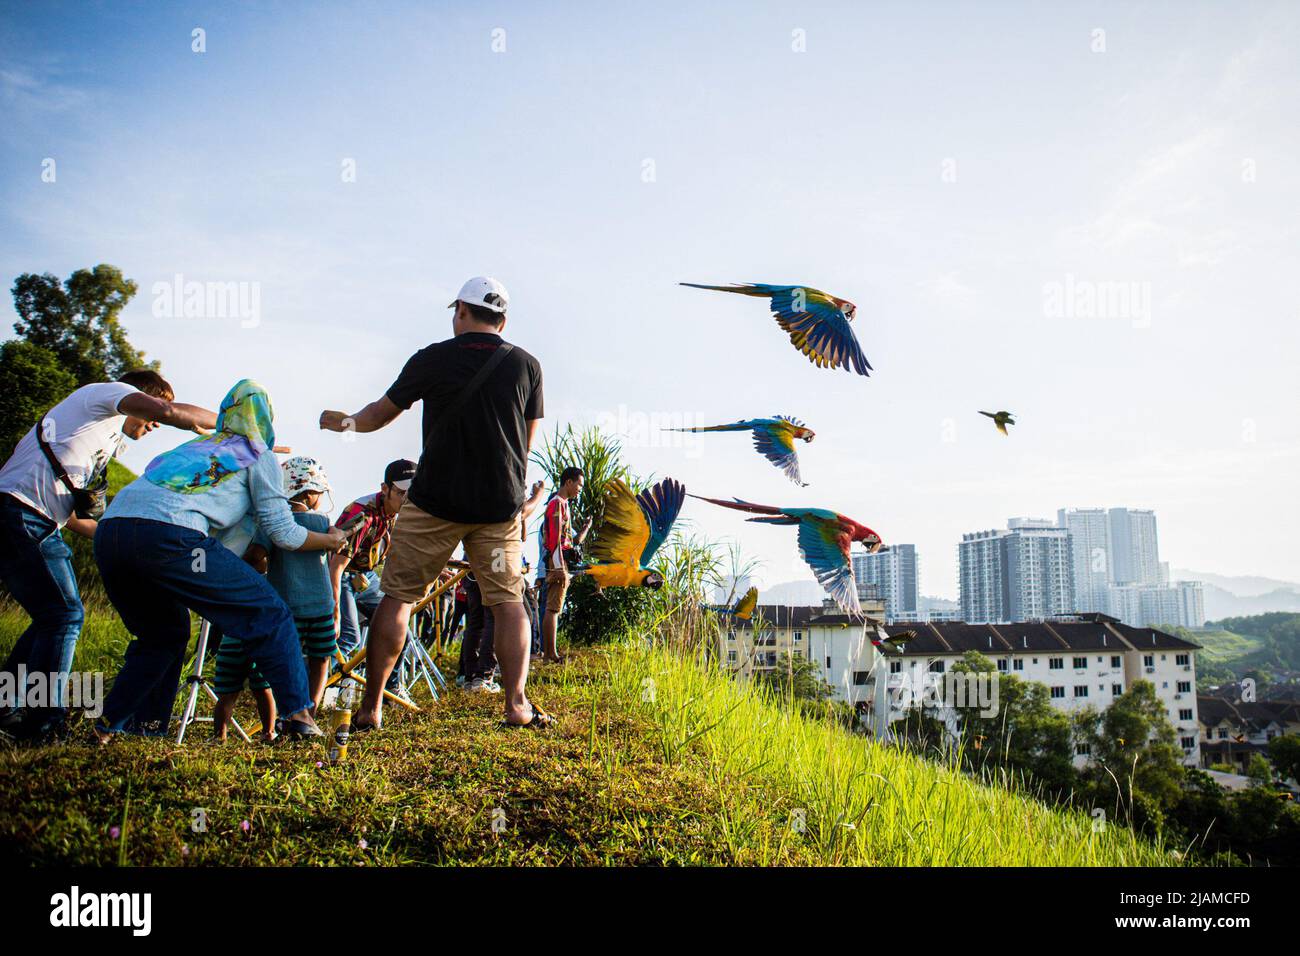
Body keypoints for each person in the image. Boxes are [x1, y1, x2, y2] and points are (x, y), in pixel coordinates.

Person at [319, 275, 546, 730]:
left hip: (434, 503)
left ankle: (372, 706)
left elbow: (378, 415)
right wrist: (513, 496)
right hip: (497, 508)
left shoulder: (432, 358)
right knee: (507, 602)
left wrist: (342, 422)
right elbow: (526, 442)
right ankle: (516, 705)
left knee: (398, 597)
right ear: (503, 320)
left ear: (461, 311)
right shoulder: (527, 365)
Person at [91, 380, 347, 741]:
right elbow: (283, 533)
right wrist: (331, 538)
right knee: (269, 612)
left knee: (163, 634)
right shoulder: (258, 453)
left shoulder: (189, 447)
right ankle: (300, 716)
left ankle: (120, 728)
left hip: (111, 534)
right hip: (171, 536)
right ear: (267, 418)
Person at [0, 370, 217, 743]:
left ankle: (7, 706)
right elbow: (166, 410)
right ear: (136, 397)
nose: (153, 426)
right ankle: (43, 724)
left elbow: (75, 517)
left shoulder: (104, 441)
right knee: (63, 614)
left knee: (51, 617)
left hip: (44, 523)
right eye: (150, 417)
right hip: (17, 509)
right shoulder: (105, 395)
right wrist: (232, 425)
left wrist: (129, 538)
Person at [211, 456, 339, 740]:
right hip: (321, 608)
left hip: (287, 609)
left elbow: (256, 557)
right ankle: (310, 715)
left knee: (285, 661)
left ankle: (289, 716)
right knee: (320, 660)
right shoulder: (323, 523)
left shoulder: (274, 522)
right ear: (309, 493)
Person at [457, 479, 545, 692]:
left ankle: (469, 675)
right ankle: (484, 674)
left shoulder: (478, 490)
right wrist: (538, 495)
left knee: (478, 621)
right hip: (494, 561)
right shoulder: (501, 493)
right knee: (499, 617)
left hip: (475, 561)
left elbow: (521, 534)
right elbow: (522, 512)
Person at [330, 459, 414, 660]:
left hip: (365, 577)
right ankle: (313, 688)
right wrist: (334, 612)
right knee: (348, 637)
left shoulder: (397, 513)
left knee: (400, 634)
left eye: (412, 494)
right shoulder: (363, 515)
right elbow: (334, 567)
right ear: (385, 489)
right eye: (402, 493)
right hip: (341, 576)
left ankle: (390, 686)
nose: (407, 499)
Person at [537, 467, 592, 664]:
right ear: (568, 482)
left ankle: (550, 652)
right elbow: (554, 538)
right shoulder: (557, 504)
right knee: (552, 608)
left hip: (561, 561)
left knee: (555, 607)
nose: (580, 489)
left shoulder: (564, 504)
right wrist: (559, 566)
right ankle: (550, 654)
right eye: (579, 484)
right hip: (557, 562)